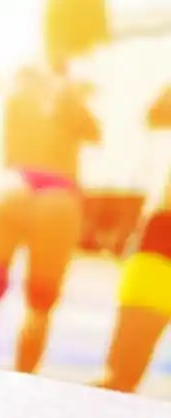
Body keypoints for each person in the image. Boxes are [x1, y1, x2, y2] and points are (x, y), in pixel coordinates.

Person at [0, 0, 107, 373]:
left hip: (10, 184)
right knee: (39, 305)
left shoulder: (19, 69)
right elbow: (93, 132)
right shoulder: (77, 78)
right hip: (57, 192)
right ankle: (24, 383)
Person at [93, 88, 171, 393]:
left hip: (162, 237)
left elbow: (157, 112)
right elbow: (156, 113)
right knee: (122, 375)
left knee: (120, 376)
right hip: (162, 237)